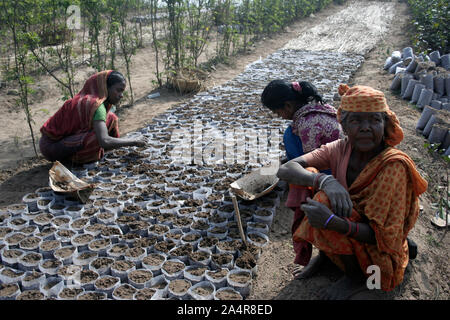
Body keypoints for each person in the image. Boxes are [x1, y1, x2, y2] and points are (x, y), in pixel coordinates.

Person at [277, 84, 428, 299]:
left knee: (324, 203)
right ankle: (327, 256)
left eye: (374, 120)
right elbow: (286, 169)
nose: (366, 128)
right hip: (347, 221)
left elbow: (383, 236)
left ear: (385, 125)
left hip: (376, 243)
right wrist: (325, 179)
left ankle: (355, 275)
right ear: (344, 125)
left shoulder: (393, 166)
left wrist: (330, 222)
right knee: (308, 178)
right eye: (356, 120)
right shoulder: (340, 148)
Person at [261, 79, 344, 274]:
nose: (279, 116)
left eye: (277, 111)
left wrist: (292, 172)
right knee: (290, 135)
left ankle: (324, 256)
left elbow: (312, 161)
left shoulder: (308, 124)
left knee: (290, 137)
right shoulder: (317, 108)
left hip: (333, 174)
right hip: (335, 162)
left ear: (288, 105)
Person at [39, 70, 145, 165]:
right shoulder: (96, 105)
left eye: (122, 91)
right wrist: (133, 141)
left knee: (111, 118)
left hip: (66, 141)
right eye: (118, 90)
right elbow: (104, 141)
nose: (121, 95)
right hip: (51, 146)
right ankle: (71, 161)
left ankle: (93, 153)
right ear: (105, 88)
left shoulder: (96, 104)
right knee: (95, 139)